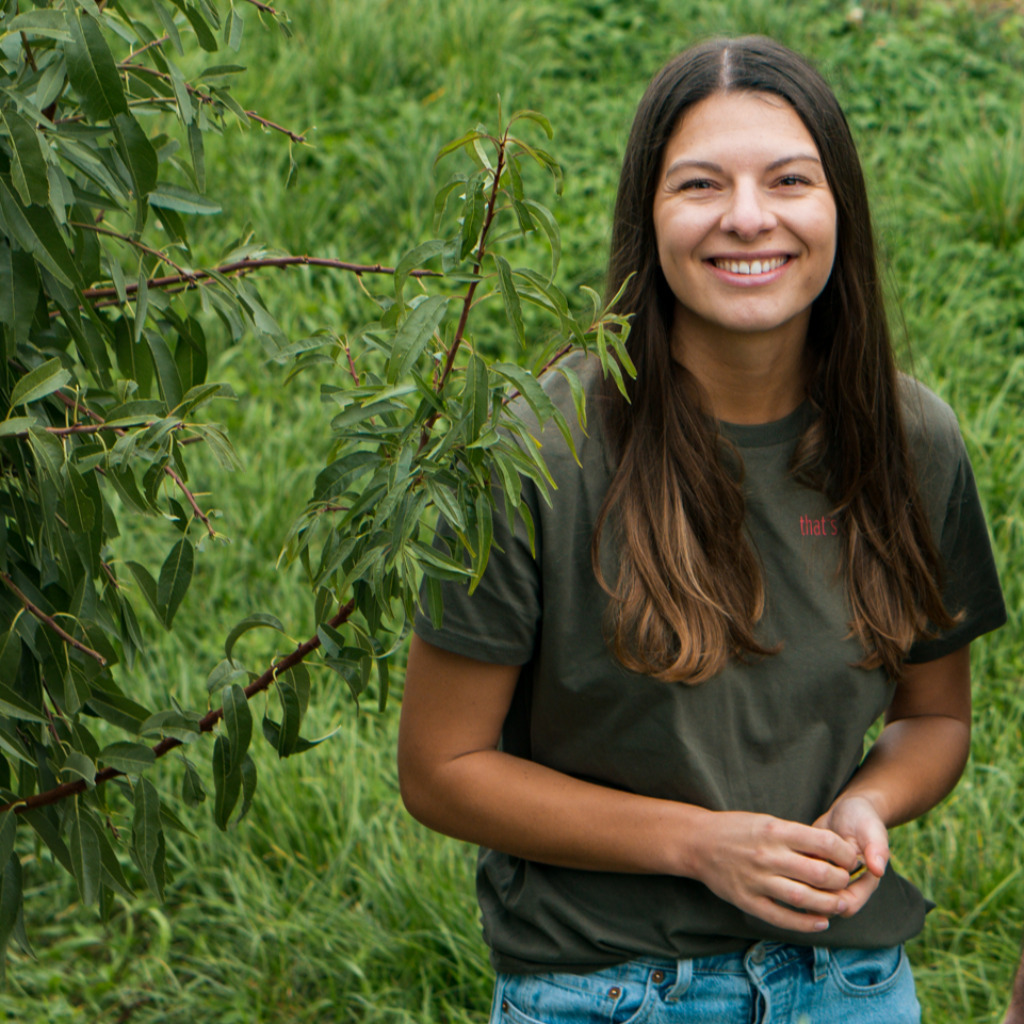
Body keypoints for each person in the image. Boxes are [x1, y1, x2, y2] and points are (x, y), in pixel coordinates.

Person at [398, 36, 1006, 1023]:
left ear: (840, 209)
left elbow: (935, 718)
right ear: (647, 216)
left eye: (789, 180)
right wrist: (700, 845)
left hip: (845, 981)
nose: (748, 217)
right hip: (605, 988)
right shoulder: (533, 451)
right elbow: (441, 769)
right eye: (700, 184)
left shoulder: (910, 441)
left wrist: (867, 801)